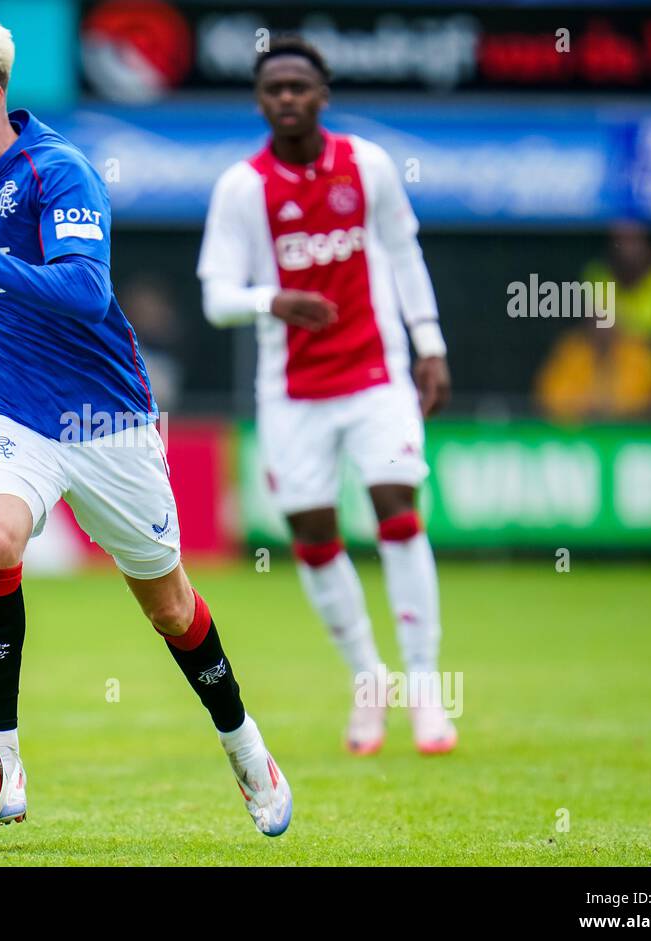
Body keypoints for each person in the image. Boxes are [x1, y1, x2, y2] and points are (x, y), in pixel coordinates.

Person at [0, 14, 292, 835]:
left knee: (170, 606)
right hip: (7, 411)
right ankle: (3, 759)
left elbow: (81, 289)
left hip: (105, 419)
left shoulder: (61, 172)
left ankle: (246, 748)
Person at [197, 35, 456, 756]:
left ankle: (427, 688)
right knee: (312, 533)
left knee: (396, 509)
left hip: (377, 374)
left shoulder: (367, 166)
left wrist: (429, 343)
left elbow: (404, 253)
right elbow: (217, 297)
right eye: (274, 88)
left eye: (299, 87)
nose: (287, 99)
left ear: (323, 95)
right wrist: (270, 299)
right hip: (292, 391)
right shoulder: (242, 188)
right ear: (259, 100)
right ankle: (369, 683)